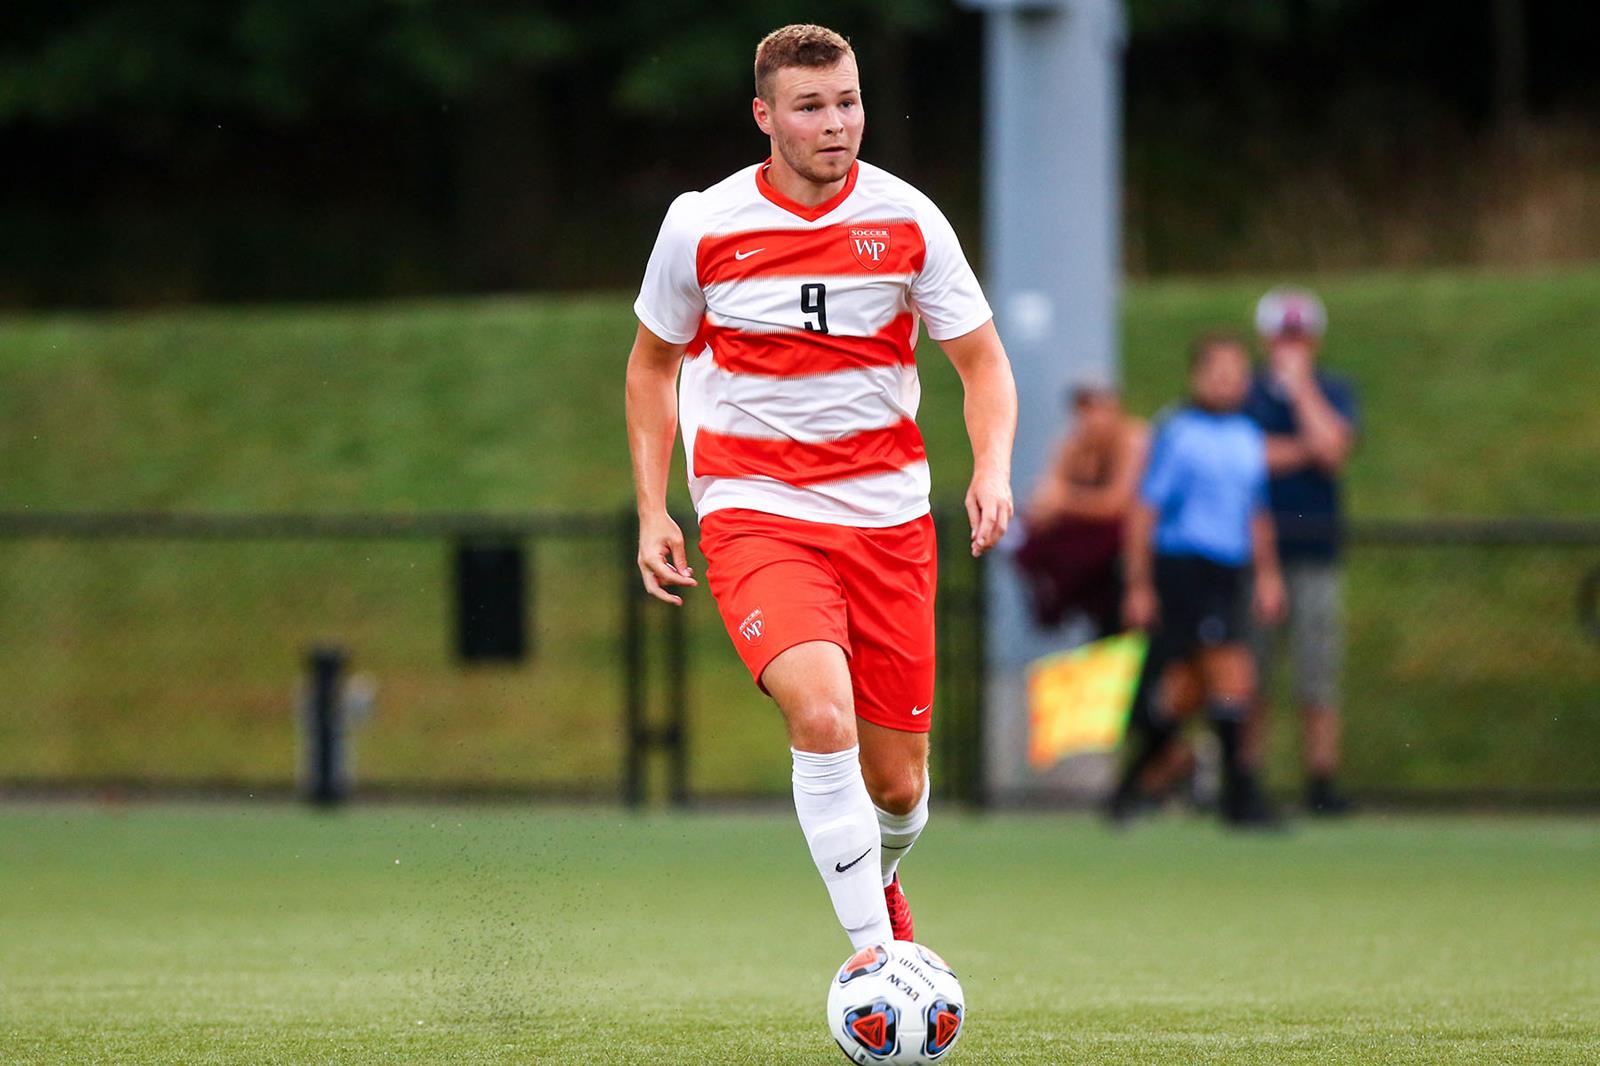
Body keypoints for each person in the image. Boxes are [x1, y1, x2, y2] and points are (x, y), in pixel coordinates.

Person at [624, 24, 1017, 949]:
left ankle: (879, 878)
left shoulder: (910, 221)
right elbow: (651, 369)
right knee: (821, 711)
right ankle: (877, 961)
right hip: (756, 511)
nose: (836, 124)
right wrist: (654, 510)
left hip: (886, 522)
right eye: (811, 107)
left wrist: (992, 466)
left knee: (899, 788)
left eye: (848, 103)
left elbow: (984, 365)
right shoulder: (702, 224)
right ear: (765, 117)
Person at [1108, 333, 1286, 827]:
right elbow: (1146, 510)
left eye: (1237, 371)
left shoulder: (1248, 436)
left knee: (1185, 690)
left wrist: (1269, 575)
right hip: (1184, 568)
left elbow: (1256, 512)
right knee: (1234, 674)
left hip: (1227, 573)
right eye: (1218, 370)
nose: (1228, 380)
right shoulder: (1179, 432)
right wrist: (1140, 584)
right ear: (1198, 376)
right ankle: (1240, 799)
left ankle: (1130, 788)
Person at [1244, 287, 1360, 815]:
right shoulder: (1246, 394)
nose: (1291, 345)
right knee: (1254, 672)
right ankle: (1246, 778)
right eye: (1283, 335)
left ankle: (1321, 781)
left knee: (1317, 672)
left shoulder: (1332, 390)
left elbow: (1333, 451)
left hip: (1316, 550)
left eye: (1300, 335)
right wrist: (1306, 449)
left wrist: (1302, 394)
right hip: (1255, 551)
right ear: (1267, 339)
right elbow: (1248, 459)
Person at [1014, 384, 1149, 635]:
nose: (1092, 420)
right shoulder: (1074, 445)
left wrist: (1064, 500)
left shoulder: (1132, 441)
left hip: (1132, 554)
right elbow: (1049, 491)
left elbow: (1116, 505)